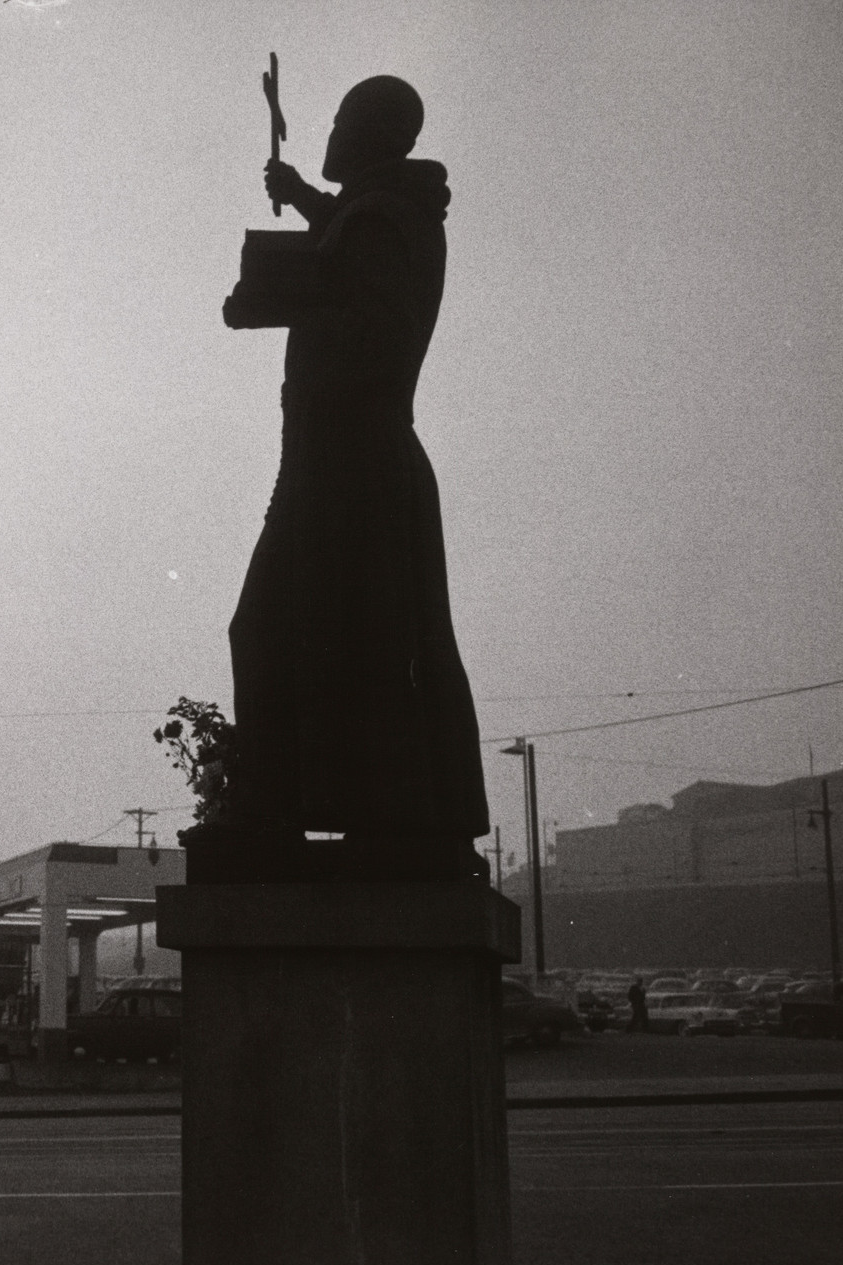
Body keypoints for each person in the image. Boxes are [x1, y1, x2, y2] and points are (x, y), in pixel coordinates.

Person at [219, 75, 488, 881]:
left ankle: (296, 814)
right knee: (351, 640)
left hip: (350, 470)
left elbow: (367, 323)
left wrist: (280, 288)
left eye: (340, 120)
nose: (328, 132)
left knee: (310, 638)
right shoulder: (381, 215)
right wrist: (303, 199)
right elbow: (348, 241)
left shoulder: (384, 222)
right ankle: (324, 811)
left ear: (373, 134)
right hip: (332, 464)